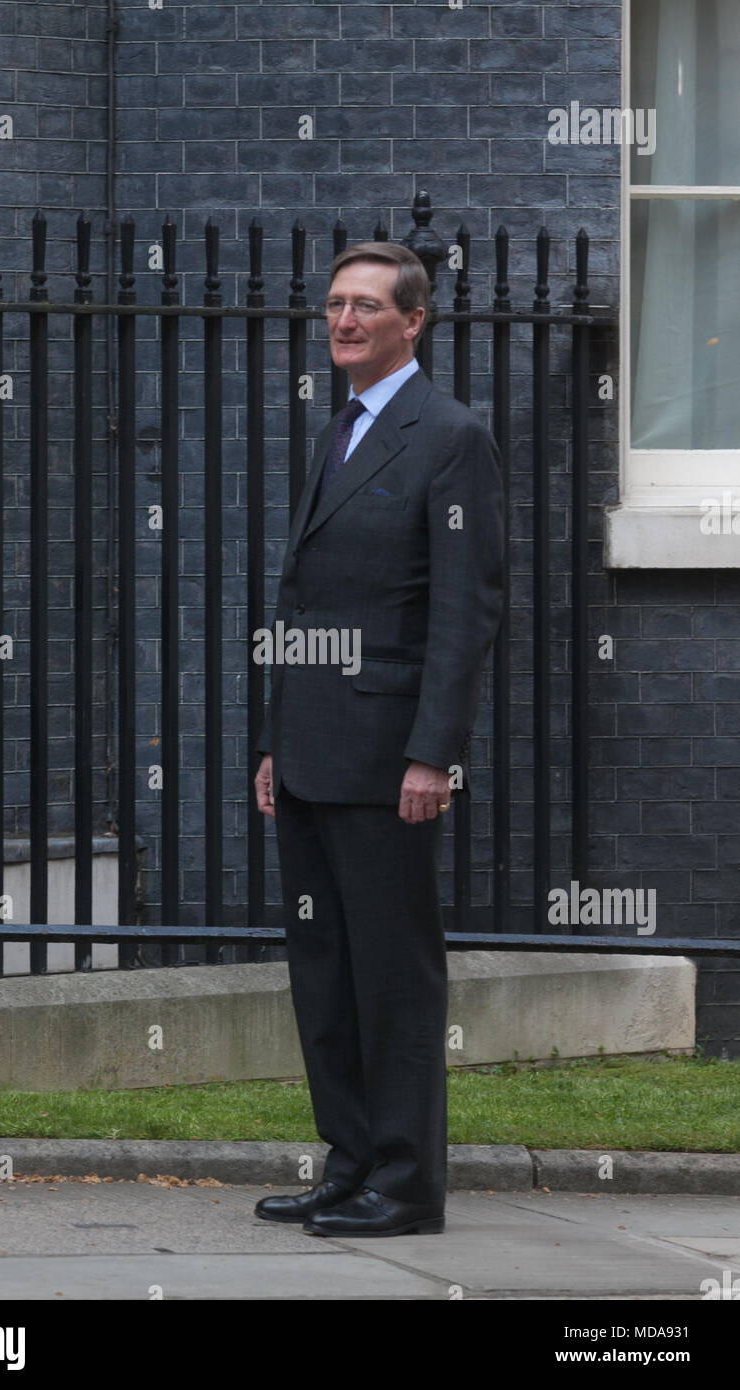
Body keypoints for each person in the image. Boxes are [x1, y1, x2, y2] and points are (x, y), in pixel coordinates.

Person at [252, 241, 504, 1237]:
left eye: (364, 306)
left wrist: (430, 755)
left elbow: (465, 609)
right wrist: (275, 741)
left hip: (386, 762)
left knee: (393, 979)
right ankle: (348, 1161)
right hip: (312, 757)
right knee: (324, 973)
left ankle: (403, 1186)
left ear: (413, 321)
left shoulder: (448, 437)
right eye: (333, 306)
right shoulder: (340, 431)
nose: (342, 321)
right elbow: (304, 598)